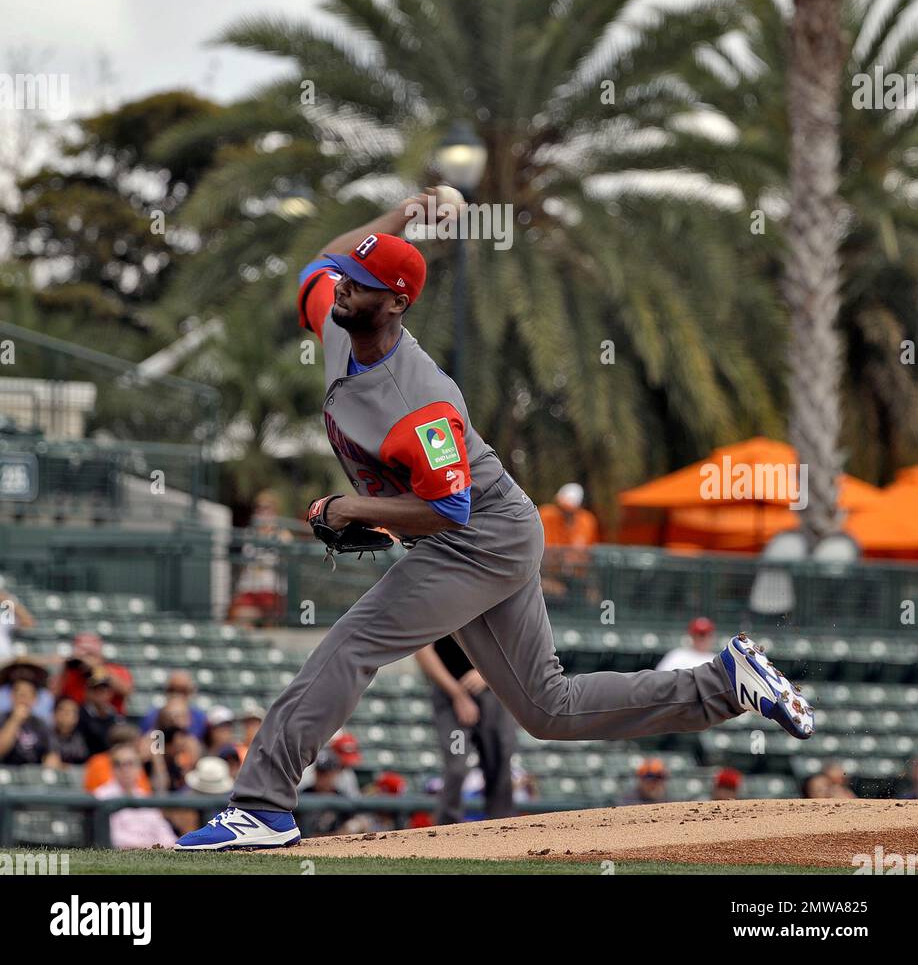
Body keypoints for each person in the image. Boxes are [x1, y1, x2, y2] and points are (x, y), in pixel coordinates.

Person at [174, 197, 815, 850]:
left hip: (482, 535)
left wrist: (351, 509)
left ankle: (262, 805)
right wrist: (401, 214)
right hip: (478, 532)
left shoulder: (421, 404)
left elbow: (451, 510)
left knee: (353, 645)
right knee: (547, 709)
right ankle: (726, 682)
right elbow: (321, 263)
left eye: (362, 284)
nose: (343, 287)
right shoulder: (340, 318)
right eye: (347, 277)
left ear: (396, 303)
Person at [416, 635, 516, 824]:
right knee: (457, 765)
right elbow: (422, 650)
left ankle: (503, 828)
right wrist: (457, 693)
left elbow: (513, 641)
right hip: (450, 695)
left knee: (500, 761)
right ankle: (447, 829)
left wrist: (486, 674)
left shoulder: (490, 604)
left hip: (492, 690)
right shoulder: (437, 607)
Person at [230, 491, 294, 625]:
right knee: (238, 616)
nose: (262, 512)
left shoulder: (282, 533)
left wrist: (273, 532)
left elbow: (289, 549)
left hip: (271, 588)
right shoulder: (250, 533)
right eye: (259, 508)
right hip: (250, 586)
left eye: (267, 508)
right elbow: (244, 562)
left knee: (269, 621)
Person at [95, 745, 177, 849]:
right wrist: (148, 847)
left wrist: (168, 845)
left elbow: (165, 833)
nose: (125, 769)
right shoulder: (102, 795)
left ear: (139, 768)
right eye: (119, 764)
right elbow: (113, 837)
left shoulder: (144, 796)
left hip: (151, 853)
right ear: (112, 769)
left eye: (130, 764)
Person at [54, 633, 133, 714]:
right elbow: (53, 696)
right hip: (79, 722)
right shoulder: (71, 673)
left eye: (91, 655)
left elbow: (126, 690)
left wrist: (98, 668)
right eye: (83, 656)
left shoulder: (115, 670)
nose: (86, 660)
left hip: (111, 720)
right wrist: (65, 668)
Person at [139, 671, 209, 741]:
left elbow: (209, 749)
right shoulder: (153, 716)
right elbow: (151, 748)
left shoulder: (201, 719)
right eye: (172, 690)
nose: (177, 695)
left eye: (183, 691)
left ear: (191, 692)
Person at [0, 676, 51, 765]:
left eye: (28, 696)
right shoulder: (2, 717)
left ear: (35, 699)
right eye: (21, 695)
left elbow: (50, 754)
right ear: (12, 696)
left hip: (34, 773)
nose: (24, 700)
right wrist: (15, 720)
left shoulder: (40, 723)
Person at [46, 695, 89, 767]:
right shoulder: (45, 735)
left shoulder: (80, 738)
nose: (67, 714)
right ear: (54, 713)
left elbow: (83, 763)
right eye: (64, 710)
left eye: (72, 712)